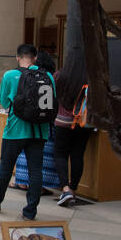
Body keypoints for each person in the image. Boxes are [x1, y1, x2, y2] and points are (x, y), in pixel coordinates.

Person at [0, 43, 55, 220]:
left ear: (17, 57)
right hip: (40, 132)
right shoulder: (48, 75)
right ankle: (30, 211)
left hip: (15, 130)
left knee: (5, 167)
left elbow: (4, 102)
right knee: (36, 171)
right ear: (35, 58)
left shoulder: (10, 75)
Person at [51, 43, 93, 206]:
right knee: (77, 154)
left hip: (63, 120)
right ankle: (74, 188)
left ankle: (66, 188)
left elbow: (52, 97)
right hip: (84, 122)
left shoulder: (60, 75)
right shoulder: (91, 77)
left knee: (60, 154)